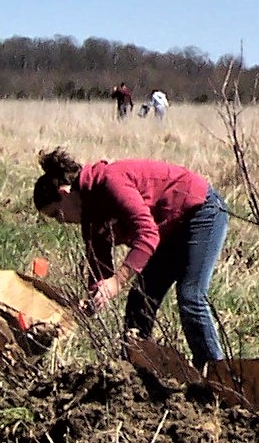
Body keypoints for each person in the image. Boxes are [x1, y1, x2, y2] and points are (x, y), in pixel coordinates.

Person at [32, 149, 227, 366]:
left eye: (57, 214)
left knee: (191, 296)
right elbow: (99, 266)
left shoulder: (110, 181)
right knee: (140, 300)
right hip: (168, 229)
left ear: (65, 193)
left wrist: (117, 281)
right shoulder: (90, 217)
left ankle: (217, 376)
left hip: (200, 211)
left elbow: (147, 234)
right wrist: (91, 301)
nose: (62, 222)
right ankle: (134, 372)